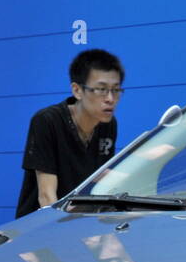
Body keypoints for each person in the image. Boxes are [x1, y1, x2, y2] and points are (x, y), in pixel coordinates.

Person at [16, 49, 123, 217]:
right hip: (40, 226)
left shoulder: (108, 124)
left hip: (80, 222)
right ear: (77, 90)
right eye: (101, 89)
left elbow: (100, 183)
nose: (110, 98)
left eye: (116, 90)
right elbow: (46, 197)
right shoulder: (47, 121)